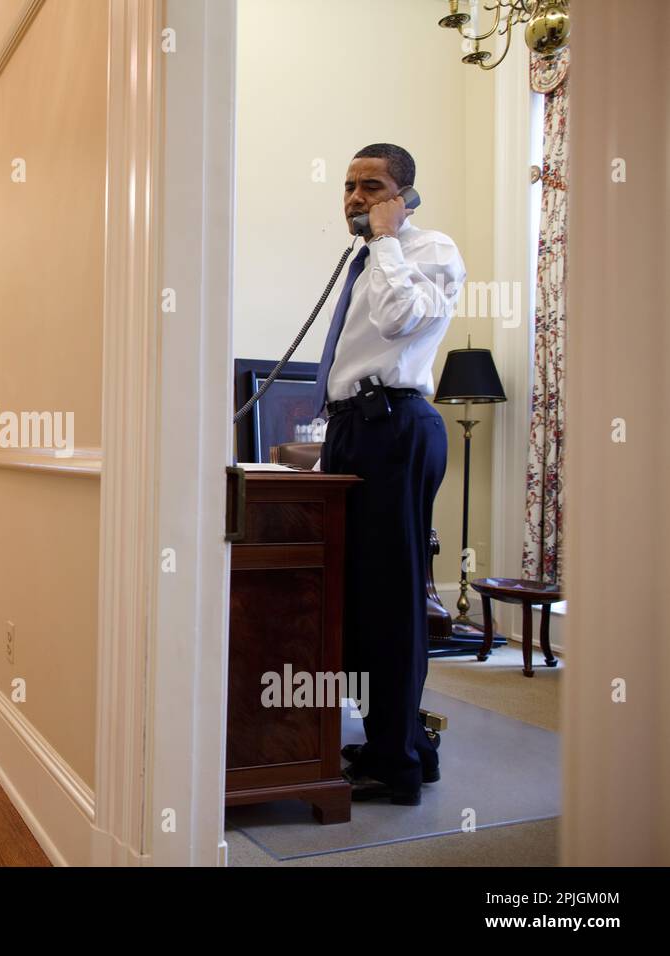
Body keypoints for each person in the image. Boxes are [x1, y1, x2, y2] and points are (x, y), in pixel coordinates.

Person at [312, 143, 466, 805]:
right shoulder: (369, 258)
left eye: (371, 186)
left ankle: (397, 765)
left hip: (397, 426)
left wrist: (387, 240)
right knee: (358, 596)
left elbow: (401, 320)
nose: (354, 196)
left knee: (391, 601)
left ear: (403, 195)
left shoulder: (430, 250)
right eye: (349, 185)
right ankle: (403, 743)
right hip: (355, 428)